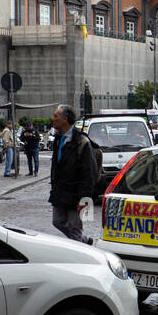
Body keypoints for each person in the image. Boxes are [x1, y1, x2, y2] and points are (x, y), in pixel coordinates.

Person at [49, 104, 99, 245]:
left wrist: (84, 199)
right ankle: (84, 241)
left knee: (74, 227)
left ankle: (79, 260)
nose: (53, 119)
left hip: (76, 193)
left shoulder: (82, 142)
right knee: (57, 221)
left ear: (65, 119)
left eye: (56, 116)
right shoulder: (58, 139)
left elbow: (89, 174)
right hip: (60, 191)